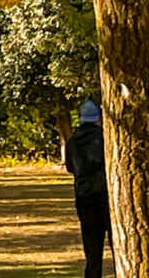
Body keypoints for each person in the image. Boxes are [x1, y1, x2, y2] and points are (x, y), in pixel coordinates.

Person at [66, 100, 110, 278]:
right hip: (105, 195)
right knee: (116, 242)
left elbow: (70, 167)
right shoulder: (105, 137)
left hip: (84, 196)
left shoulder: (73, 140)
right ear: (99, 117)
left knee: (92, 248)